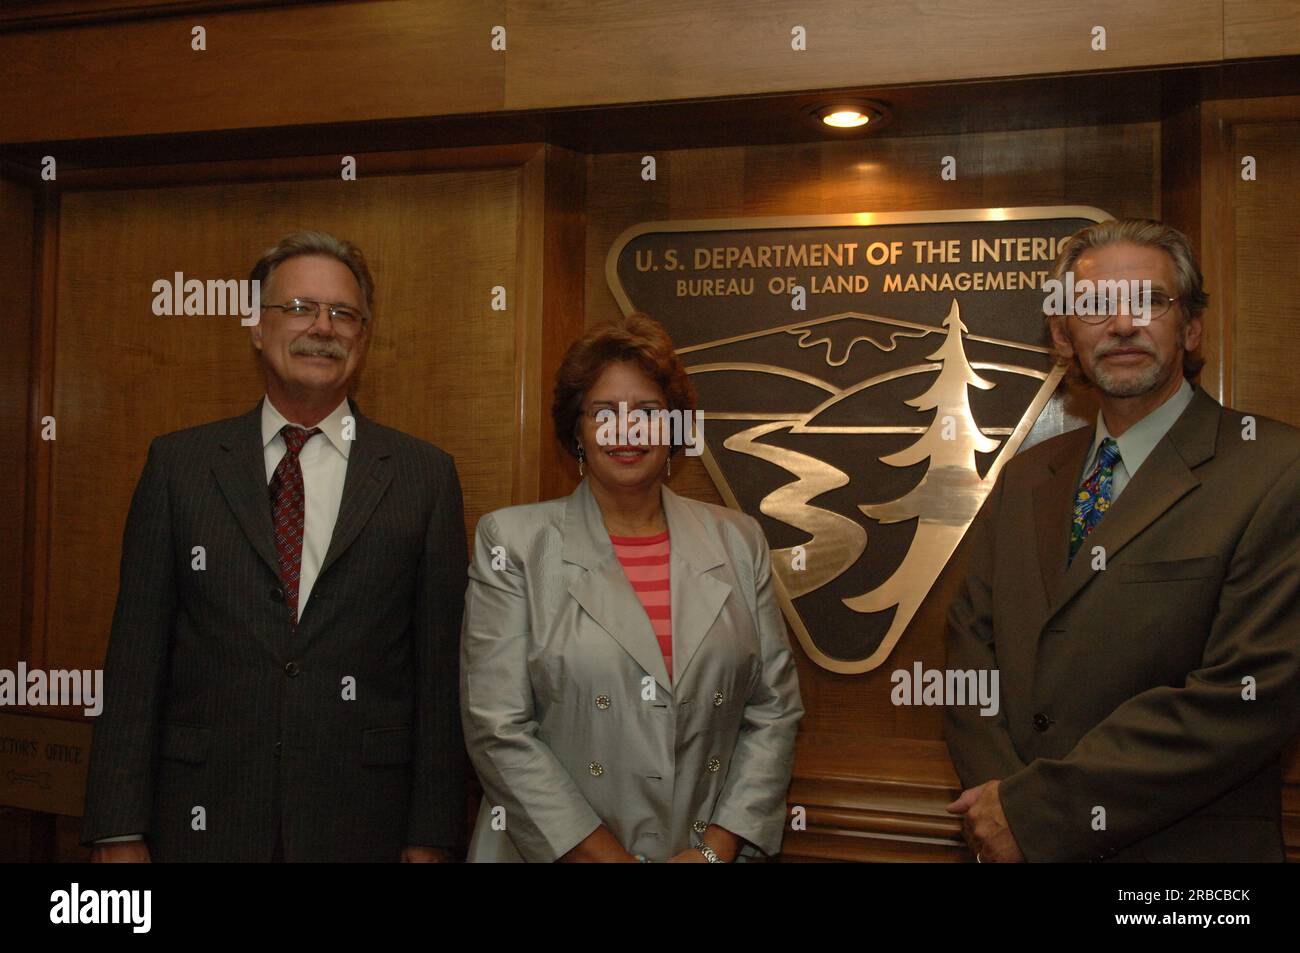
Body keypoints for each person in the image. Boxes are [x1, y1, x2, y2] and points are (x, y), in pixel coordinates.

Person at [81, 231, 467, 862]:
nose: (323, 327)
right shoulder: (179, 467)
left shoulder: (424, 477)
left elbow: (439, 676)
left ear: (363, 337)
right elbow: (134, 660)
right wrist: (118, 831)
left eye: (343, 313)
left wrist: (430, 839)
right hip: (202, 821)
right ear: (258, 326)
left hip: (361, 825)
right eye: (299, 308)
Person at [944, 219, 1300, 862]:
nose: (1123, 325)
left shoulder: (1276, 470)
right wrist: (999, 804)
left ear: (1191, 328)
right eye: (1094, 306)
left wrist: (1033, 812)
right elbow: (972, 641)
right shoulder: (1026, 475)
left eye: (1150, 302)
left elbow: (1248, 695)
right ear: (1063, 335)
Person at [460, 313, 803, 862]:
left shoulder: (739, 542)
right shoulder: (515, 544)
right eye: (604, 413)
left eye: (647, 413)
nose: (627, 431)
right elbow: (498, 730)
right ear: (576, 429)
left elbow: (774, 712)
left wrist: (714, 852)